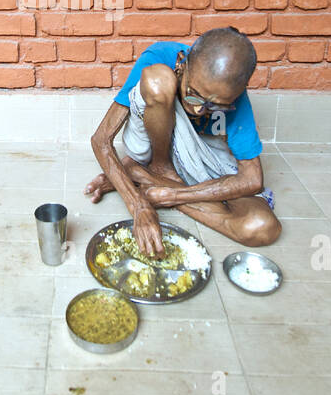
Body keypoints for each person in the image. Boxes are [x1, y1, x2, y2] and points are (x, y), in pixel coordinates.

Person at [84, 27, 280, 256]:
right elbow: (100, 140)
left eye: (215, 105)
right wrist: (138, 206)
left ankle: (145, 177)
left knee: (262, 228)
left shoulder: (233, 93)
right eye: (193, 94)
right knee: (158, 80)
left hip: (201, 156)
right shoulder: (162, 56)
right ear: (181, 64)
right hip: (155, 145)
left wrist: (171, 196)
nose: (199, 110)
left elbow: (252, 178)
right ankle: (160, 169)